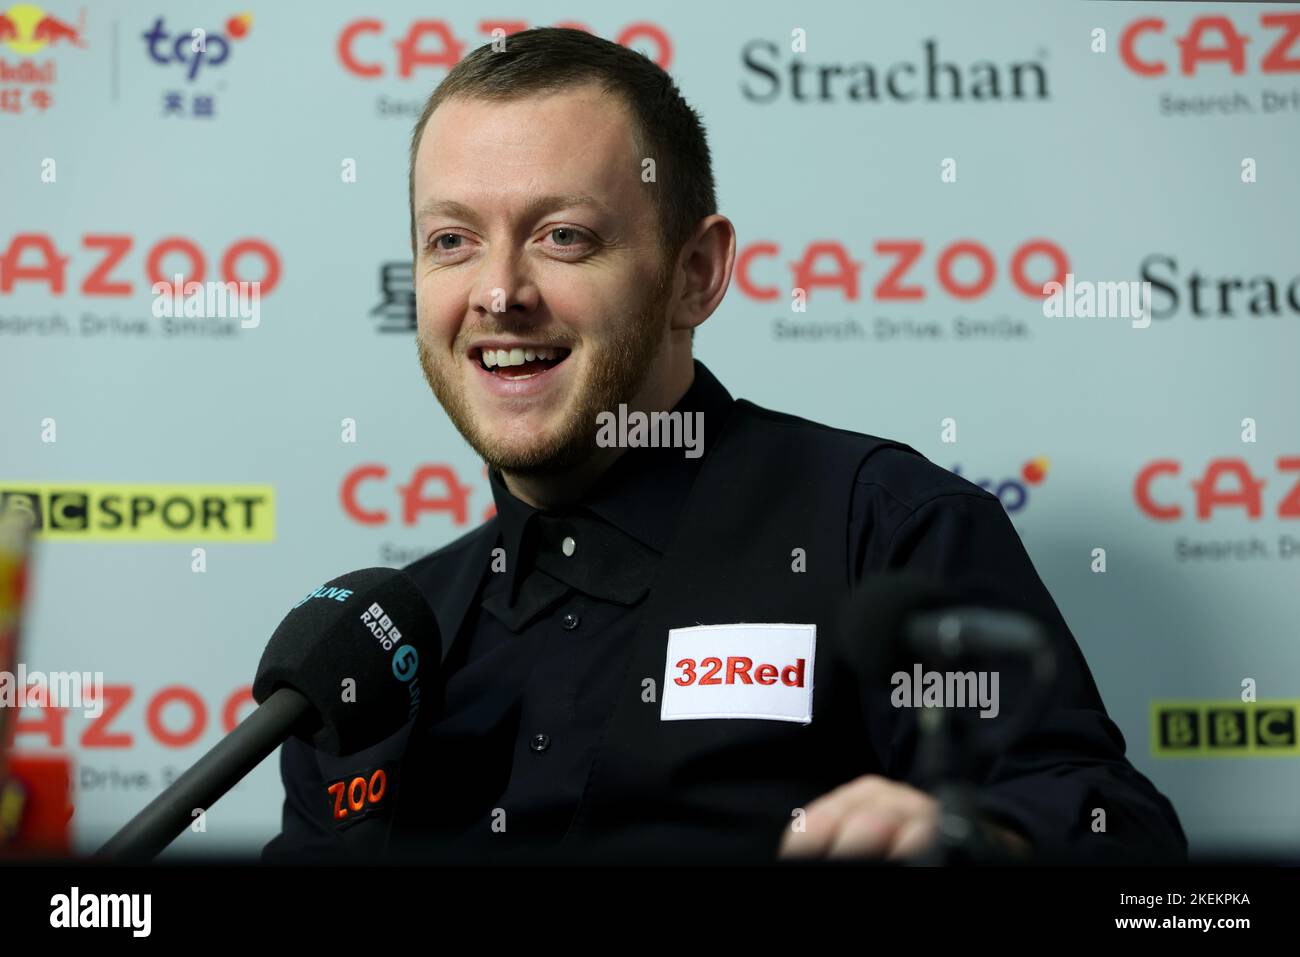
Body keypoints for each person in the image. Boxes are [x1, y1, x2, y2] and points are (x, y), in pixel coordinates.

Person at [263, 27, 1185, 865]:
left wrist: (979, 840)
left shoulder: (885, 531)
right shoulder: (380, 647)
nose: (499, 292)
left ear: (694, 274)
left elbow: (1117, 832)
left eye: (565, 236)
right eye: (452, 239)